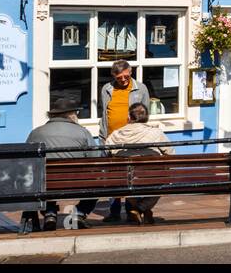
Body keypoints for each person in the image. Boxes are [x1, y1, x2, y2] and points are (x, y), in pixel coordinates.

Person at [22, 99, 99, 231]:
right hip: (77, 183)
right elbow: (96, 157)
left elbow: (26, 159)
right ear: (72, 114)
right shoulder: (82, 132)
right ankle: (79, 214)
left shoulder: (36, 132)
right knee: (98, 183)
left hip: (43, 184)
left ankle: (50, 213)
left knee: (43, 179)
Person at [98, 60, 150, 220]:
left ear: (131, 71)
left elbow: (145, 115)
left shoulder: (140, 88)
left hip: (132, 138)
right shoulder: (107, 89)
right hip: (111, 138)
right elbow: (105, 113)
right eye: (119, 77)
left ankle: (130, 208)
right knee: (112, 176)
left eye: (125, 76)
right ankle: (114, 211)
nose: (123, 80)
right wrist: (104, 136)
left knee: (130, 175)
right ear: (114, 76)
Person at [106, 103, 171, 224]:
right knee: (163, 180)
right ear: (147, 117)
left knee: (126, 183)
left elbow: (106, 153)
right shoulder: (156, 133)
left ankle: (138, 208)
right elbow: (170, 152)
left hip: (124, 178)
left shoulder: (116, 135)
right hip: (152, 176)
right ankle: (142, 208)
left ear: (129, 117)